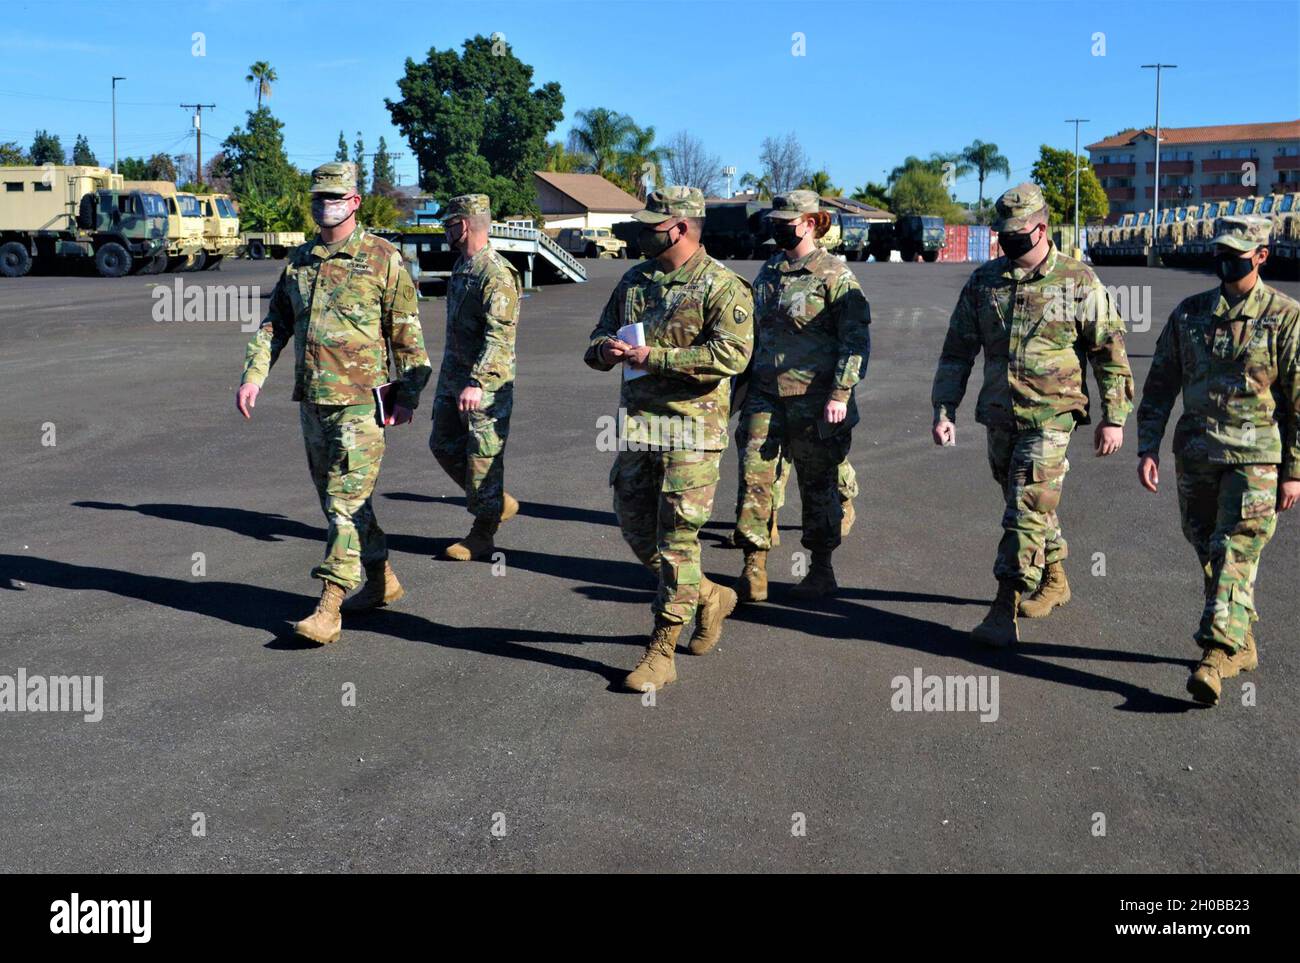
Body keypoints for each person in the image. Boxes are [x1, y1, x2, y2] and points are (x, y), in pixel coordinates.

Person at [930, 183, 1134, 647]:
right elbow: (957, 352)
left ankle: (1003, 608)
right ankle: (1056, 578)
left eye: (1016, 233)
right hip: (1001, 416)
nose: (1007, 241)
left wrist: (1115, 416)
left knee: (1023, 508)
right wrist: (945, 410)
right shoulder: (984, 283)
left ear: (1041, 229)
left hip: (1052, 417)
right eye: (1002, 233)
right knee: (1027, 502)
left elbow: (1109, 351)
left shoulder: (1077, 281)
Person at [236, 162, 431, 644]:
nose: (325, 205)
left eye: (335, 197)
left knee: (344, 502)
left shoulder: (383, 258)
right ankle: (382, 579)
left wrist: (409, 393)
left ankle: (329, 607)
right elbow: (275, 325)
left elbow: (406, 333)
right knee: (338, 502)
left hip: (362, 405)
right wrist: (253, 376)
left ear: (355, 201)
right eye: (319, 197)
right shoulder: (300, 262)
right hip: (313, 402)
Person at [584, 186, 754, 692]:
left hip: (692, 431)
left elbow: (732, 356)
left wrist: (653, 358)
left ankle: (661, 649)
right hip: (639, 427)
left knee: (679, 537)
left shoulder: (722, 286)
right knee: (636, 527)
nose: (640, 233)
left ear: (679, 228)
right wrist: (607, 352)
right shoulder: (635, 280)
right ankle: (707, 595)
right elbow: (595, 340)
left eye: (650, 225)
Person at [1136, 215, 1299, 705]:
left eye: (1237, 253)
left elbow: (1298, 401)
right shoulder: (1190, 314)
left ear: (1262, 255)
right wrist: (1148, 446)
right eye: (1220, 252)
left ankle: (1215, 654)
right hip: (1198, 453)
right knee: (1208, 545)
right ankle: (1241, 635)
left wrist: (1294, 470)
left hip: (1257, 460)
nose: (1225, 262)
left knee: (1235, 547)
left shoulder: (1286, 317)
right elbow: (1161, 382)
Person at [733, 190, 870, 602]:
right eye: (775, 222)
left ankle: (821, 568)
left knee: (817, 484)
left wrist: (841, 393)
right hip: (764, 395)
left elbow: (856, 341)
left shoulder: (835, 276)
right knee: (754, 478)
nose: (778, 228)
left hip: (815, 399)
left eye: (787, 222)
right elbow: (753, 334)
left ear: (811, 223)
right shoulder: (769, 270)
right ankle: (753, 565)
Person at [429, 194, 523, 561]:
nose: (446, 231)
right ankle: (495, 501)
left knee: (483, 456)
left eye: (449, 224)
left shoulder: (495, 274)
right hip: (453, 378)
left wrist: (479, 382)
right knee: (443, 444)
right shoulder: (462, 266)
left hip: (485, 384)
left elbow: (500, 336)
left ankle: (483, 532)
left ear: (463, 225)